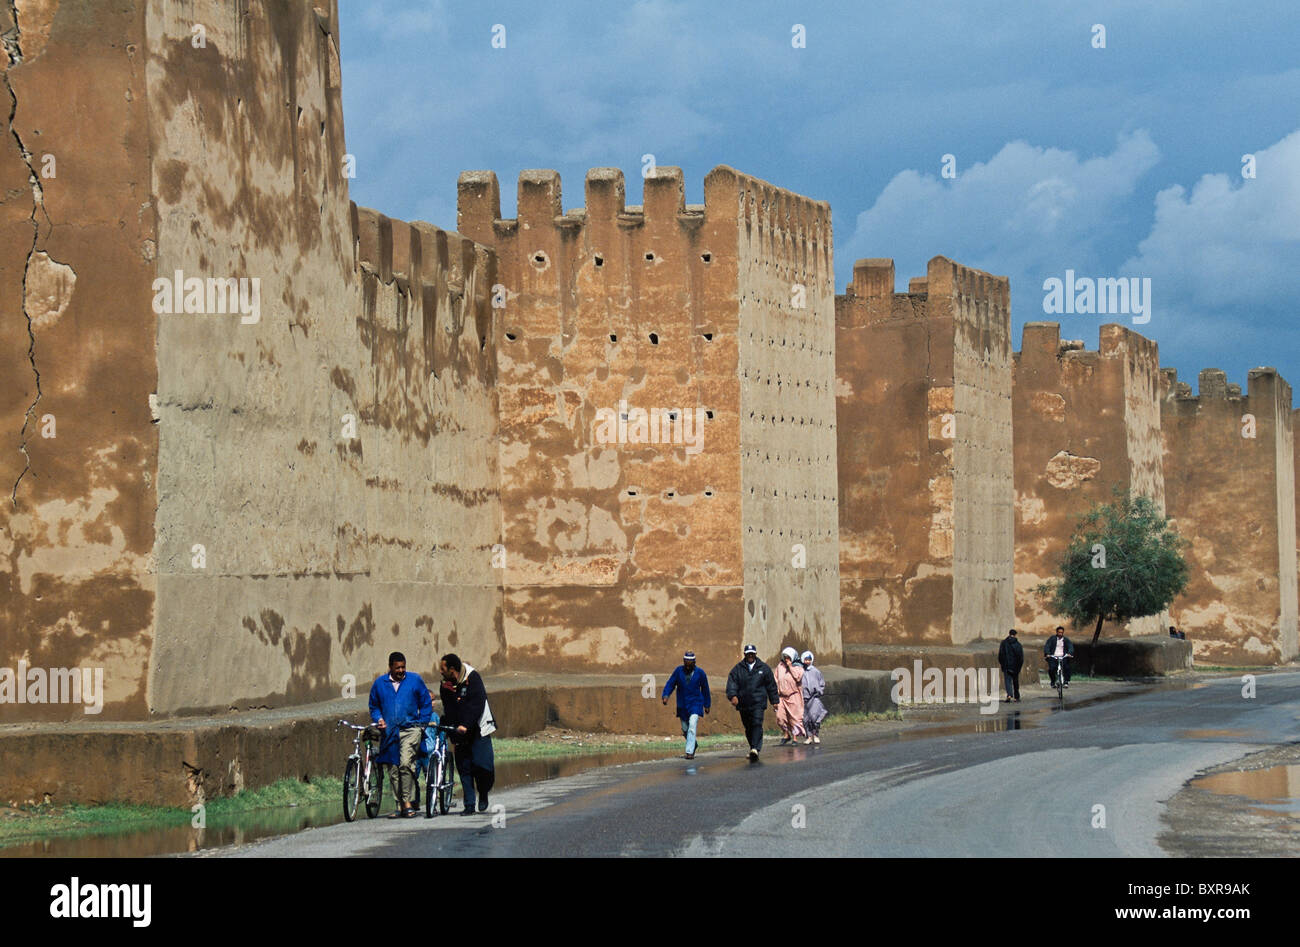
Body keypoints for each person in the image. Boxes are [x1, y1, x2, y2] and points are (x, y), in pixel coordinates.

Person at [368, 651, 433, 818]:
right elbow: (374, 706)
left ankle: (407, 802)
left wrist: (422, 725)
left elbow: (426, 703)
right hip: (389, 732)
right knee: (393, 769)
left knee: (406, 764)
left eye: (403, 667)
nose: (401, 670)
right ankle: (398, 805)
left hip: (411, 729)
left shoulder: (414, 680)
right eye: (397, 667)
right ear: (390, 667)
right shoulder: (379, 684)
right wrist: (379, 719)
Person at [438, 653, 496, 815]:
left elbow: (477, 704)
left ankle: (483, 792)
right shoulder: (445, 685)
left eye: (443, 669)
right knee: (464, 767)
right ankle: (469, 805)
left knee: (483, 766)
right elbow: (448, 706)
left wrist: (466, 725)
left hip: (478, 729)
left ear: (452, 669)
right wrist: (451, 727)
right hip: (459, 730)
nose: (440, 672)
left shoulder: (473, 678)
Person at [726, 644, 779, 761]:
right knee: (748, 726)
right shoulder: (738, 669)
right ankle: (752, 747)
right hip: (743, 703)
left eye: (752, 653)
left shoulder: (764, 668)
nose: (750, 655)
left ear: (755, 654)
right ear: (745, 654)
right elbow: (732, 683)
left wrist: (774, 701)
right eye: (748, 654)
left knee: (757, 723)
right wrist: (733, 696)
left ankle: (755, 748)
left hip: (758, 702)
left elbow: (771, 686)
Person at [661, 651, 711, 759]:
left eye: (690, 662)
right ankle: (693, 744)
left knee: (692, 726)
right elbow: (670, 683)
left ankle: (689, 752)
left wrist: (707, 704)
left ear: (694, 662)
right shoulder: (678, 671)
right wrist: (666, 695)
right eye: (686, 662)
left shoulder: (700, 673)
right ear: (683, 662)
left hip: (695, 704)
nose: (688, 665)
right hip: (682, 704)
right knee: (685, 729)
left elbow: (705, 689)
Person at [774, 647, 806, 745]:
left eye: (788, 657)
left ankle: (795, 738)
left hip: (794, 696)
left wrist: (790, 666)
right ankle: (786, 734)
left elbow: (797, 677)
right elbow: (775, 679)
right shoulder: (780, 666)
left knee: (794, 717)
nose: (786, 659)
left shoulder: (798, 667)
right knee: (780, 717)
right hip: (781, 696)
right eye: (785, 657)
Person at [799, 651, 827, 745]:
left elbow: (821, 683)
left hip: (814, 697)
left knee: (814, 717)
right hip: (804, 698)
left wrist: (819, 691)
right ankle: (809, 736)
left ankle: (816, 735)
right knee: (806, 719)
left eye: (809, 660)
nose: (807, 662)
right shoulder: (801, 671)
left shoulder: (816, 671)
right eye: (806, 660)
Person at [998, 629, 1024, 702]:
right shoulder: (1018, 645)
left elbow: (1000, 655)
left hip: (1006, 665)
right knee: (1015, 681)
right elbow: (1021, 657)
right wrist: (1019, 667)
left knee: (1008, 681)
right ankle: (1016, 697)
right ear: (1015, 635)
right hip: (1015, 666)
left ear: (1009, 634)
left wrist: (1003, 664)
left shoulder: (1003, 643)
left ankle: (1009, 695)